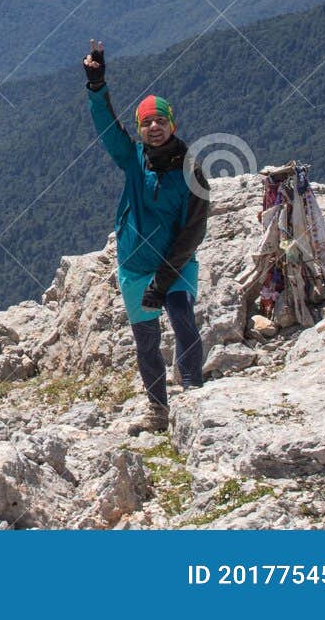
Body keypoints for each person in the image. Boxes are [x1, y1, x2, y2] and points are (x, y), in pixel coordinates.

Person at [82, 39, 209, 434]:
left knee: (183, 318)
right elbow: (108, 130)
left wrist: (164, 280)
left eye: (161, 121)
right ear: (141, 129)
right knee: (146, 340)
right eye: (147, 123)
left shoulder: (192, 170)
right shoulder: (134, 159)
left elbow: (193, 231)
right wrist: (96, 86)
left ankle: (192, 393)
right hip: (135, 265)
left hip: (175, 263)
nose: (154, 127)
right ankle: (158, 409)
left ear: (173, 124)